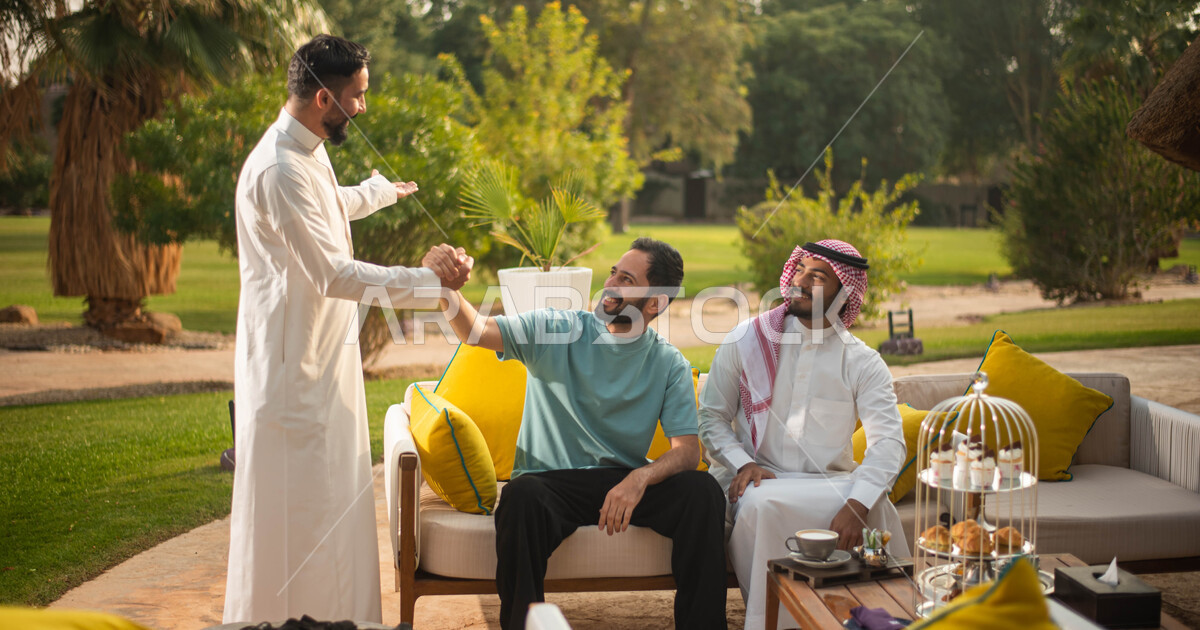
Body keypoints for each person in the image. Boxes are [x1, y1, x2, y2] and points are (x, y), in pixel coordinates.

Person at [223, 34, 470, 624]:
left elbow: (325, 203)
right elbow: (333, 274)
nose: (362, 107)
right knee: (300, 515)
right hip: (294, 379)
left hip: (323, 362)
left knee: (334, 504)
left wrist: (378, 193)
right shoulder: (280, 168)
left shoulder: (305, 148)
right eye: (356, 96)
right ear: (322, 99)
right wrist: (431, 281)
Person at [438, 238, 728, 630]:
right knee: (521, 498)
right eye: (613, 273)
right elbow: (477, 331)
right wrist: (446, 289)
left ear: (654, 303)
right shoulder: (556, 329)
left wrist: (639, 479)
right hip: (550, 483)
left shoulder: (667, 362)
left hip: (620, 482)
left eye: (626, 280)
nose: (610, 284)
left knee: (702, 492)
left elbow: (687, 451)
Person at [698, 239, 908, 630]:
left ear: (844, 293)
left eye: (818, 276)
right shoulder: (747, 340)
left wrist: (857, 504)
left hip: (833, 483)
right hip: (761, 480)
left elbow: (888, 442)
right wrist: (742, 464)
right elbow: (711, 417)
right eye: (799, 270)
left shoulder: (862, 361)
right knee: (762, 506)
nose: (800, 281)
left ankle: (877, 620)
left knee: (876, 506)